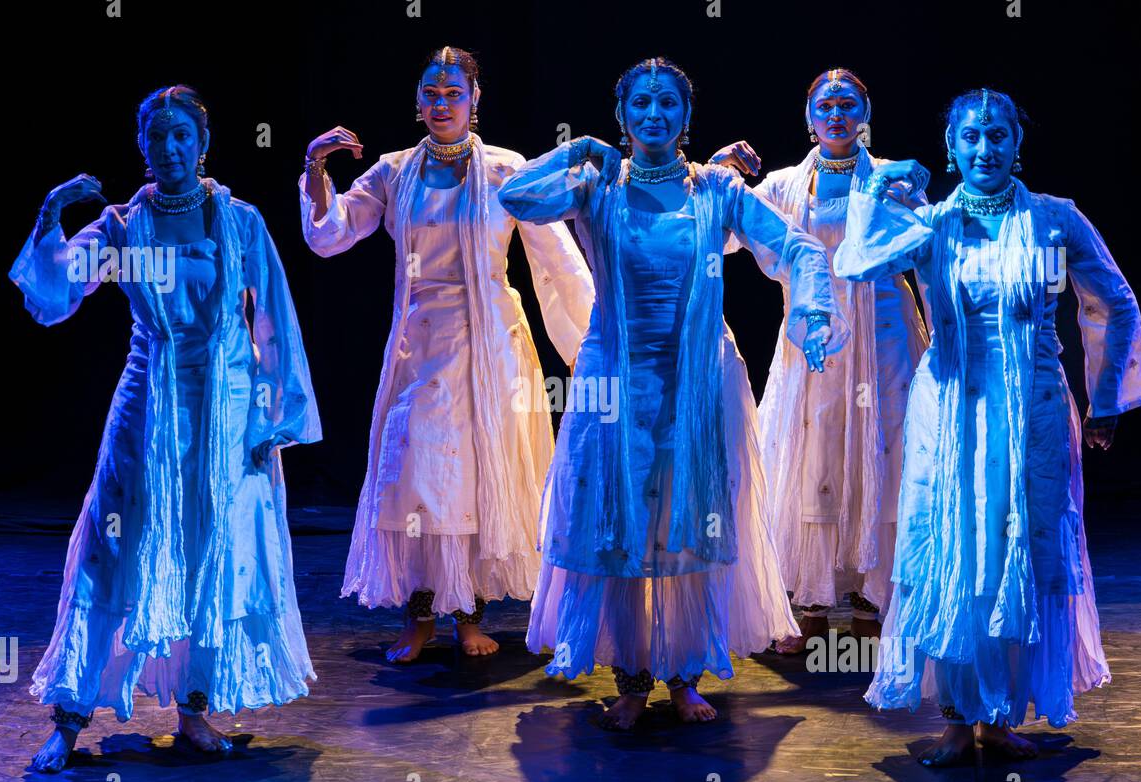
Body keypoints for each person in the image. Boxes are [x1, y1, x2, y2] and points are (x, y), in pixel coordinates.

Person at [500, 58, 840, 730]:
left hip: (698, 383)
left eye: (668, 104)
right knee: (624, 526)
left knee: (693, 524)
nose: (654, 114)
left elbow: (797, 247)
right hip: (616, 380)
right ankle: (631, 678)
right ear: (622, 115)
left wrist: (815, 314)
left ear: (687, 117)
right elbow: (515, 199)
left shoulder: (716, 189)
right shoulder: (596, 184)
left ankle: (684, 676)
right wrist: (575, 149)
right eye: (641, 103)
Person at [834, 88, 1141, 765]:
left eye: (999, 136)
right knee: (957, 554)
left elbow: (1116, 301)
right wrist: (881, 184)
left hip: (1033, 412)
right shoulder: (929, 222)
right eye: (971, 138)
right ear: (950, 149)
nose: (985, 149)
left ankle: (1001, 716)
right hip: (950, 411)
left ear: (1018, 144)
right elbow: (854, 263)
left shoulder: (1053, 220)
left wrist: (1105, 399)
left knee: (1019, 557)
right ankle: (957, 719)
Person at [11, 85, 321, 772]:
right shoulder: (124, 225)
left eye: (182, 134)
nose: (171, 148)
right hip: (146, 407)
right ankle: (69, 715)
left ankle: (195, 710)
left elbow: (273, 319)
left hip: (226, 409)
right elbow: (55, 294)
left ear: (203, 143)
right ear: (143, 147)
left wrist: (275, 416)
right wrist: (53, 212)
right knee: (110, 548)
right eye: (158, 137)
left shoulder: (238, 221)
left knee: (217, 551)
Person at [300, 47, 594, 662]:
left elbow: (556, 263)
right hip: (420, 345)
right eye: (430, 93)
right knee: (417, 478)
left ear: (475, 99)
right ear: (417, 102)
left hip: (491, 343)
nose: (441, 104)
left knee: (477, 477)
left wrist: (594, 342)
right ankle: (419, 613)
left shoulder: (507, 170)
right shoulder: (393, 172)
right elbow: (329, 236)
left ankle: (468, 612)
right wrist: (315, 170)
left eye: (453, 93)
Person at [711, 69, 929, 650]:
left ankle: (871, 601)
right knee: (813, 459)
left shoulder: (890, 179)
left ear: (865, 115)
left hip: (883, 343)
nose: (836, 114)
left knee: (881, 455)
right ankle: (808, 600)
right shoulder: (784, 186)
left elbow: (929, 251)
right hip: (810, 347)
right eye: (825, 105)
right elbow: (721, 230)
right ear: (808, 119)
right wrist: (719, 170)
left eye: (847, 104)